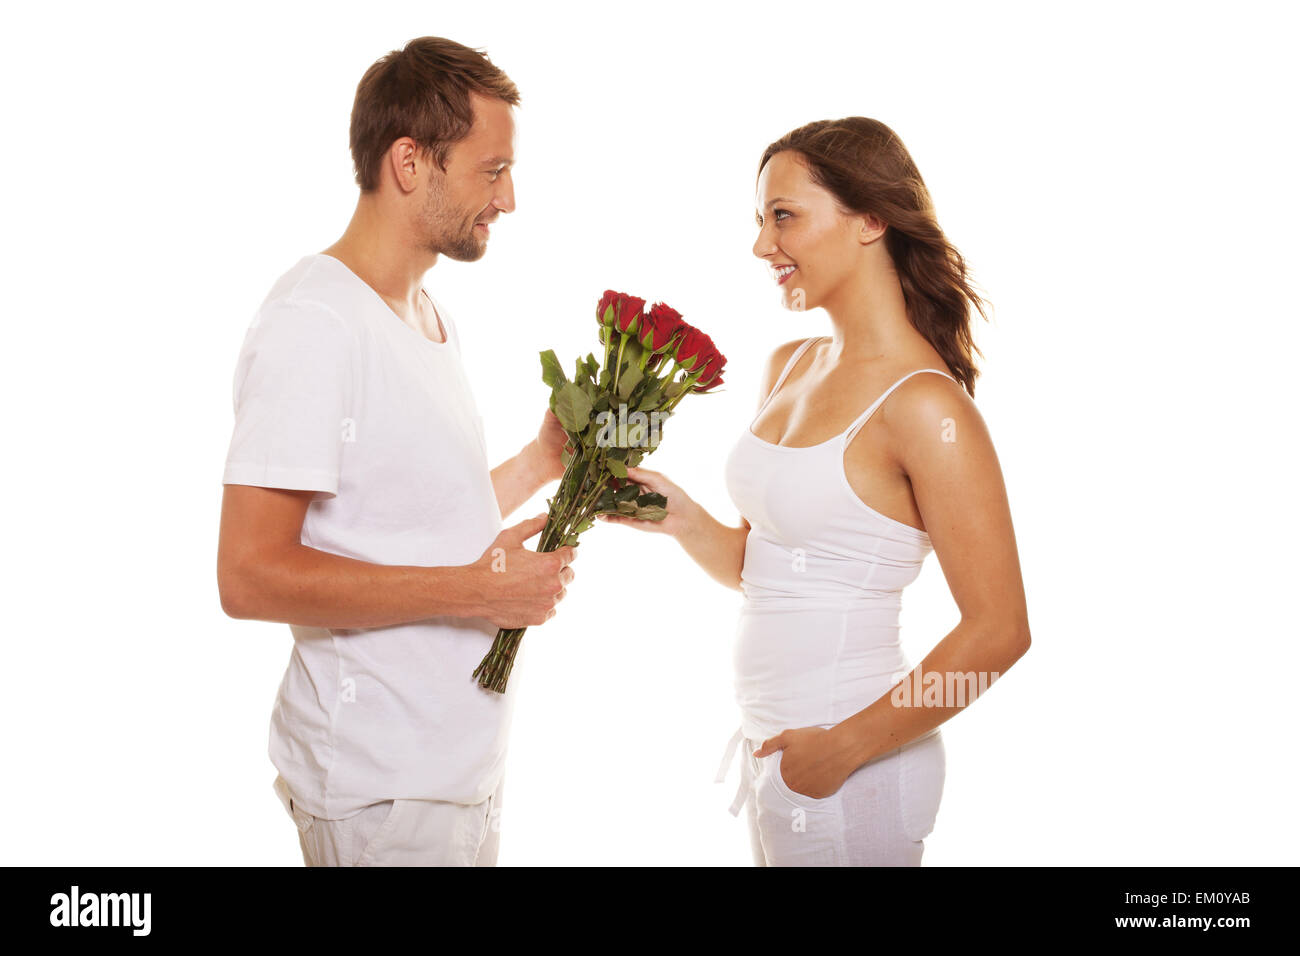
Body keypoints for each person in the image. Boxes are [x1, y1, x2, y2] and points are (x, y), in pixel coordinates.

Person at [600, 117, 1031, 865]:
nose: (763, 245)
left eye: (784, 216)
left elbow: (998, 632)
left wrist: (841, 750)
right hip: (779, 755)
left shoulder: (928, 408)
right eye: (761, 221)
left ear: (870, 220)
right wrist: (678, 516)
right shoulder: (791, 366)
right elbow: (765, 569)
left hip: (854, 769)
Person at [216, 37, 577, 866]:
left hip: (455, 780)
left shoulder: (426, 314)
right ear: (409, 162)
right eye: (492, 170)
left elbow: (410, 514)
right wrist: (476, 594)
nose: (510, 198)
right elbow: (248, 574)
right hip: (382, 796)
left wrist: (539, 460)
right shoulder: (315, 323)